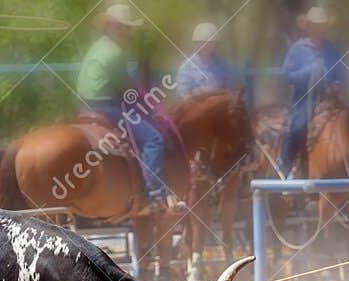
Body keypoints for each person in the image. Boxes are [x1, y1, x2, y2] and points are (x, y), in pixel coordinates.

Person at [77, 3, 179, 215]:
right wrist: (146, 105)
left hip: (86, 105)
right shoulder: (115, 53)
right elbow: (127, 90)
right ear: (110, 27)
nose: (124, 31)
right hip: (106, 106)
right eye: (120, 27)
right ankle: (155, 195)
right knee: (153, 139)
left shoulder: (98, 47)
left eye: (125, 27)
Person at [278, 6, 347, 178]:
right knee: (298, 126)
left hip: (330, 100)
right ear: (308, 28)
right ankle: (285, 166)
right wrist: (308, 73)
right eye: (315, 27)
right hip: (304, 99)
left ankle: (347, 168)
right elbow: (287, 76)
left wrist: (337, 85)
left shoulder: (333, 50)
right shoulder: (297, 49)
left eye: (322, 27)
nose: (319, 30)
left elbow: (342, 76)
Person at [175, 22, 234, 99]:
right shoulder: (186, 67)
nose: (206, 46)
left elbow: (230, 89)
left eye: (210, 43)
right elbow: (184, 95)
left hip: (220, 106)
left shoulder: (223, 65)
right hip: (196, 107)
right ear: (195, 44)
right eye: (202, 43)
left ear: (216, 45)